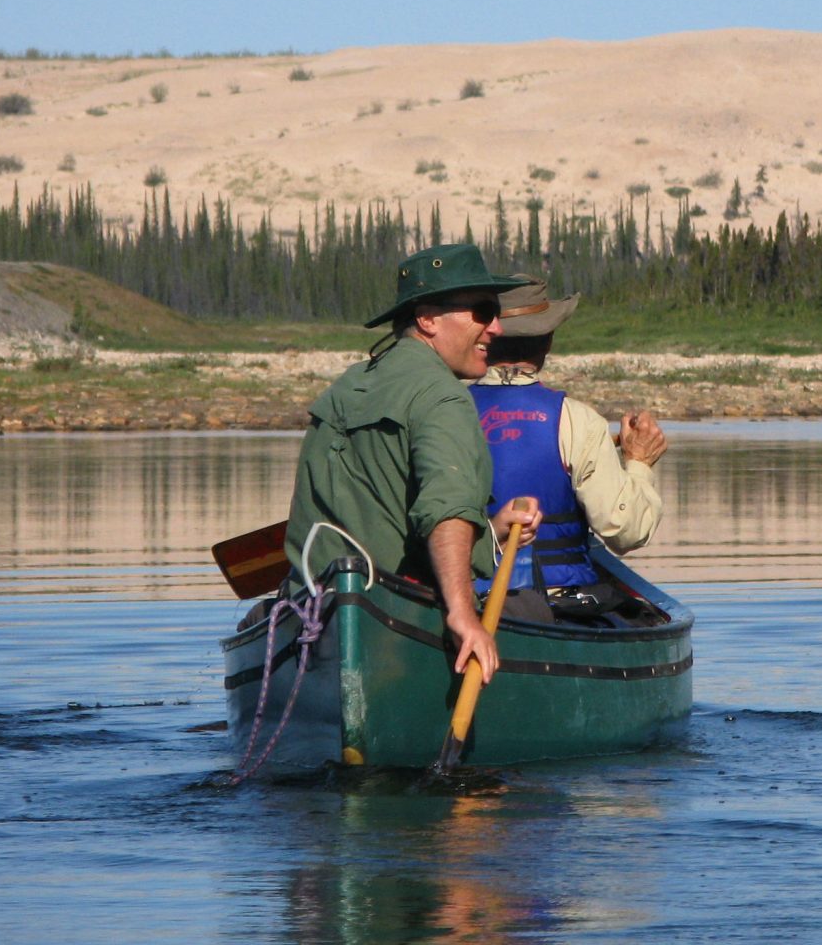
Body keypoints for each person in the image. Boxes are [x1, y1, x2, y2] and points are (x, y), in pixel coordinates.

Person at [284, 243, 543, 683]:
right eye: (482, 311)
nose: (496, 328)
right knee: (538, 613)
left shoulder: (344, 388)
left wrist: (491, 532)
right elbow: (448, 507)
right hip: (393, 622)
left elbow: (376, 508)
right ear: (427, 319)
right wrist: (463, 615)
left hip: (312, 616)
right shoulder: (443, 396)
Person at [469, 277, 667, 613]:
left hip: (467, 595)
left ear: (486, 338)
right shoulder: (577, 421)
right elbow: (625, 531)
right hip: (559, 600)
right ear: (547, 341)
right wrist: (638, 464)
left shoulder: (446, 411)